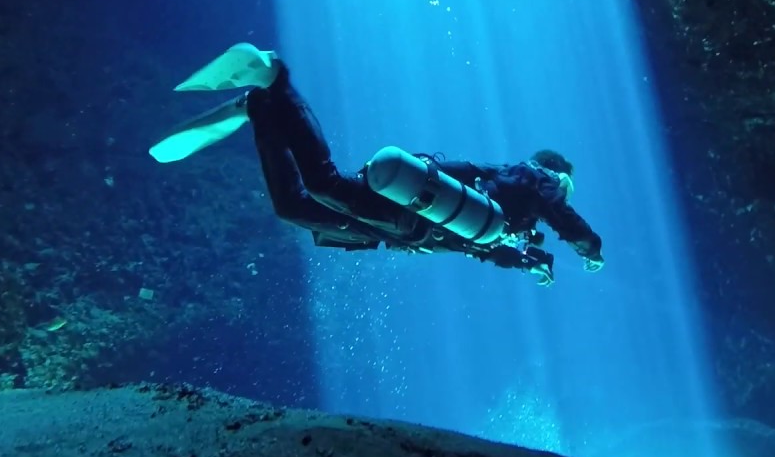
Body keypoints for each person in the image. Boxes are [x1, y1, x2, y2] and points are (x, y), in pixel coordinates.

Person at [148, 43, 605, 285]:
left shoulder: (507, 215)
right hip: (408, 213)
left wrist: (532, 264)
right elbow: (561, 214)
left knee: (292, 206)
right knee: (325, 184)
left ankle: (263, 110)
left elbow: (485, 249)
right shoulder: (538, 178)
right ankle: (277, 78)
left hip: (398, 230)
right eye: (564, 186)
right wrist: (590, 246)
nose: (560, 194)